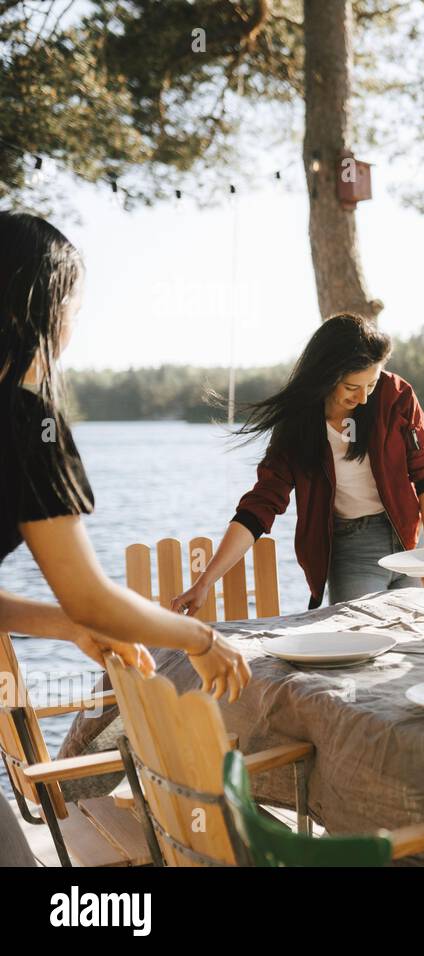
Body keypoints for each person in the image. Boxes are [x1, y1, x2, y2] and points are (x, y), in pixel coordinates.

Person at [0, 212, 248, 864]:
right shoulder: (27, 422)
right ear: (46, 308)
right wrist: (202, 637)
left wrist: (66, 626)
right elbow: (92, 597)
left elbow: (77, 610)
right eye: (75, 306)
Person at [173, 314, 424, 614]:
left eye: (371, 384)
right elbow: (260, 507)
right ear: (327, 376)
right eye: (352, 387)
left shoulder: (396, 395)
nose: (364, 398)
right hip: (352, 549)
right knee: (354, 639)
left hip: (412, 540)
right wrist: (204, 583)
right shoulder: (299, 424)